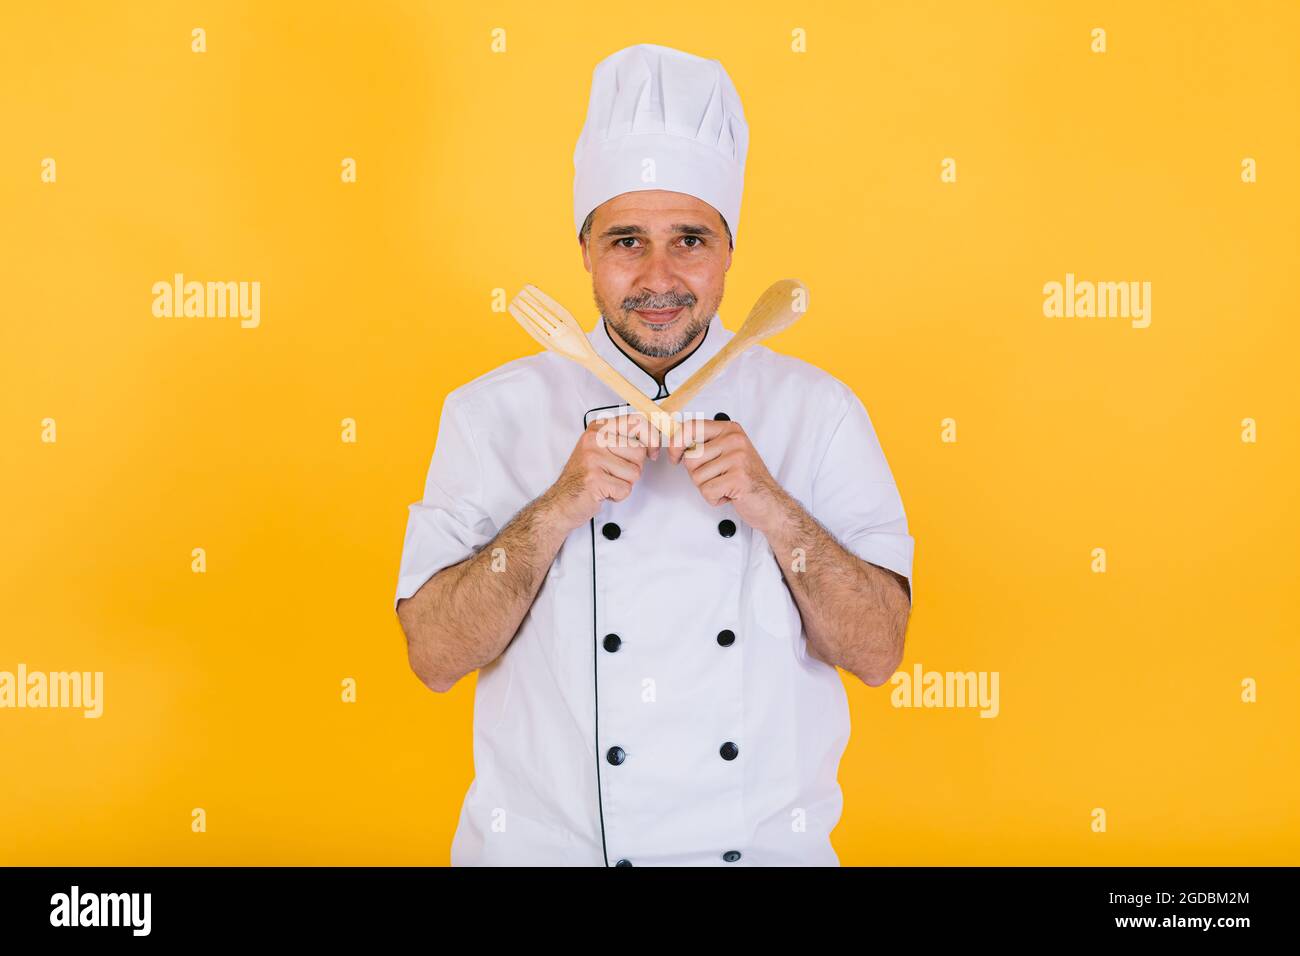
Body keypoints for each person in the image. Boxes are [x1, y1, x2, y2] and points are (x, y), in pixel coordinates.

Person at [394, 42, 914, 866]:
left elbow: (880, 653)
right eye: (627, 240)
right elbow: (434, 657)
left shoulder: (819, 412)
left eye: (691, 240)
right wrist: (558, 506)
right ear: (587, 250)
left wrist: (774, 510)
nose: (659, 274)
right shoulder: (490, 413)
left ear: (730, 250)